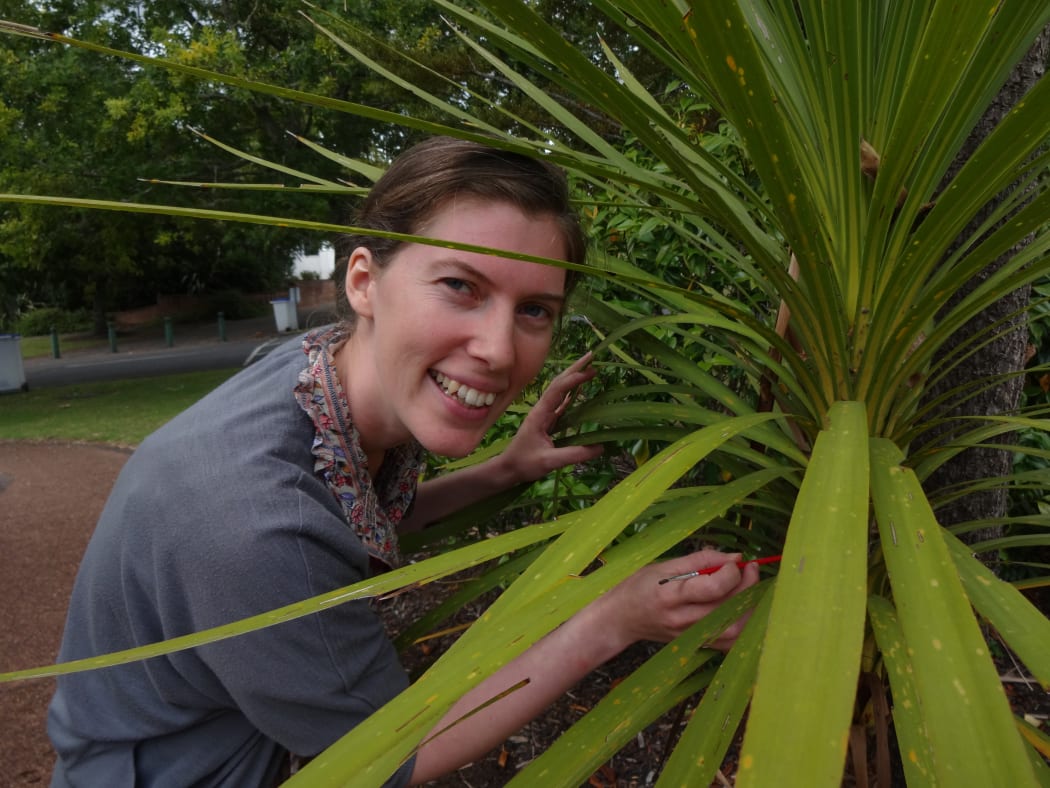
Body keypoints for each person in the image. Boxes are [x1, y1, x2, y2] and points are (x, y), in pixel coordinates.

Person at [48, 136, 759, 787]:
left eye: (535, 310)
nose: (501, 350)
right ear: (363, 281)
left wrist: (507, 470)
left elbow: (349, 514)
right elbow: (389, 755)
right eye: (460, 287)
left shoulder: (318, 374)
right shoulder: (257, 524)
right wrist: (614, 619)